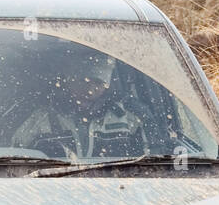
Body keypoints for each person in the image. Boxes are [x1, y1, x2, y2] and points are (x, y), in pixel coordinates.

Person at [10, 54, 150, 161]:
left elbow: (151, 163)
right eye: (83, 81)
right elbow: (14, 163)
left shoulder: (127, 119)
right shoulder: (40, 122)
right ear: (68, 82)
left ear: (107, 86)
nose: (89, 90)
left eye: (98, 82)